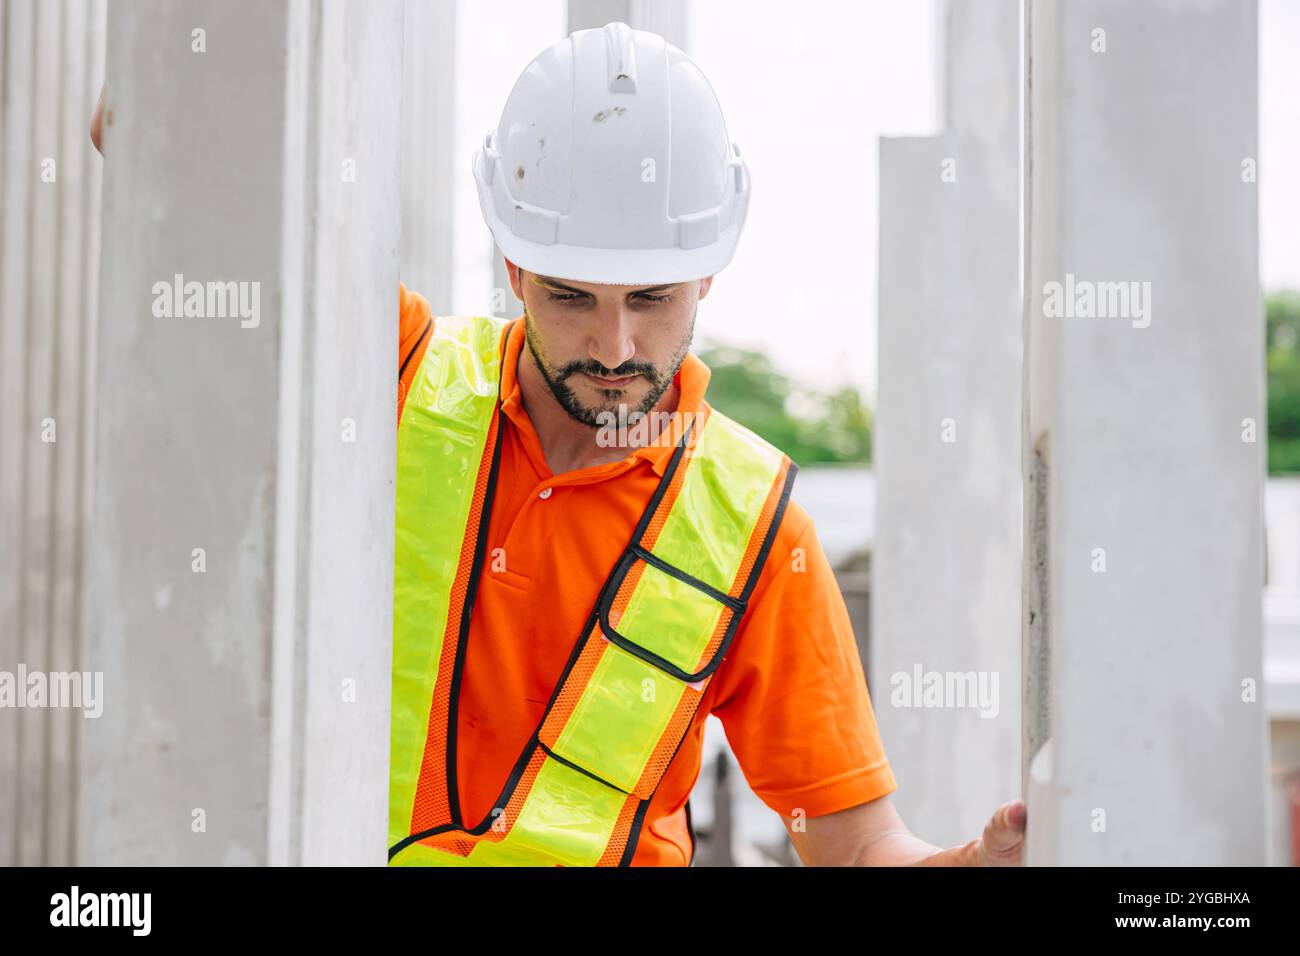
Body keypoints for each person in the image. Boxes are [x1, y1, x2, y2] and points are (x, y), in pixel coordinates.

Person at [91, 20, 1024, 868]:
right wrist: (166, 106)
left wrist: (976, 868)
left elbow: (856, 848)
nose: (613, 350)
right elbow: (194, 186)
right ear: (514, 270)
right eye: (571, 296)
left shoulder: (754, 527)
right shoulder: (400, 370)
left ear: (704, 280)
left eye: (650, 301)